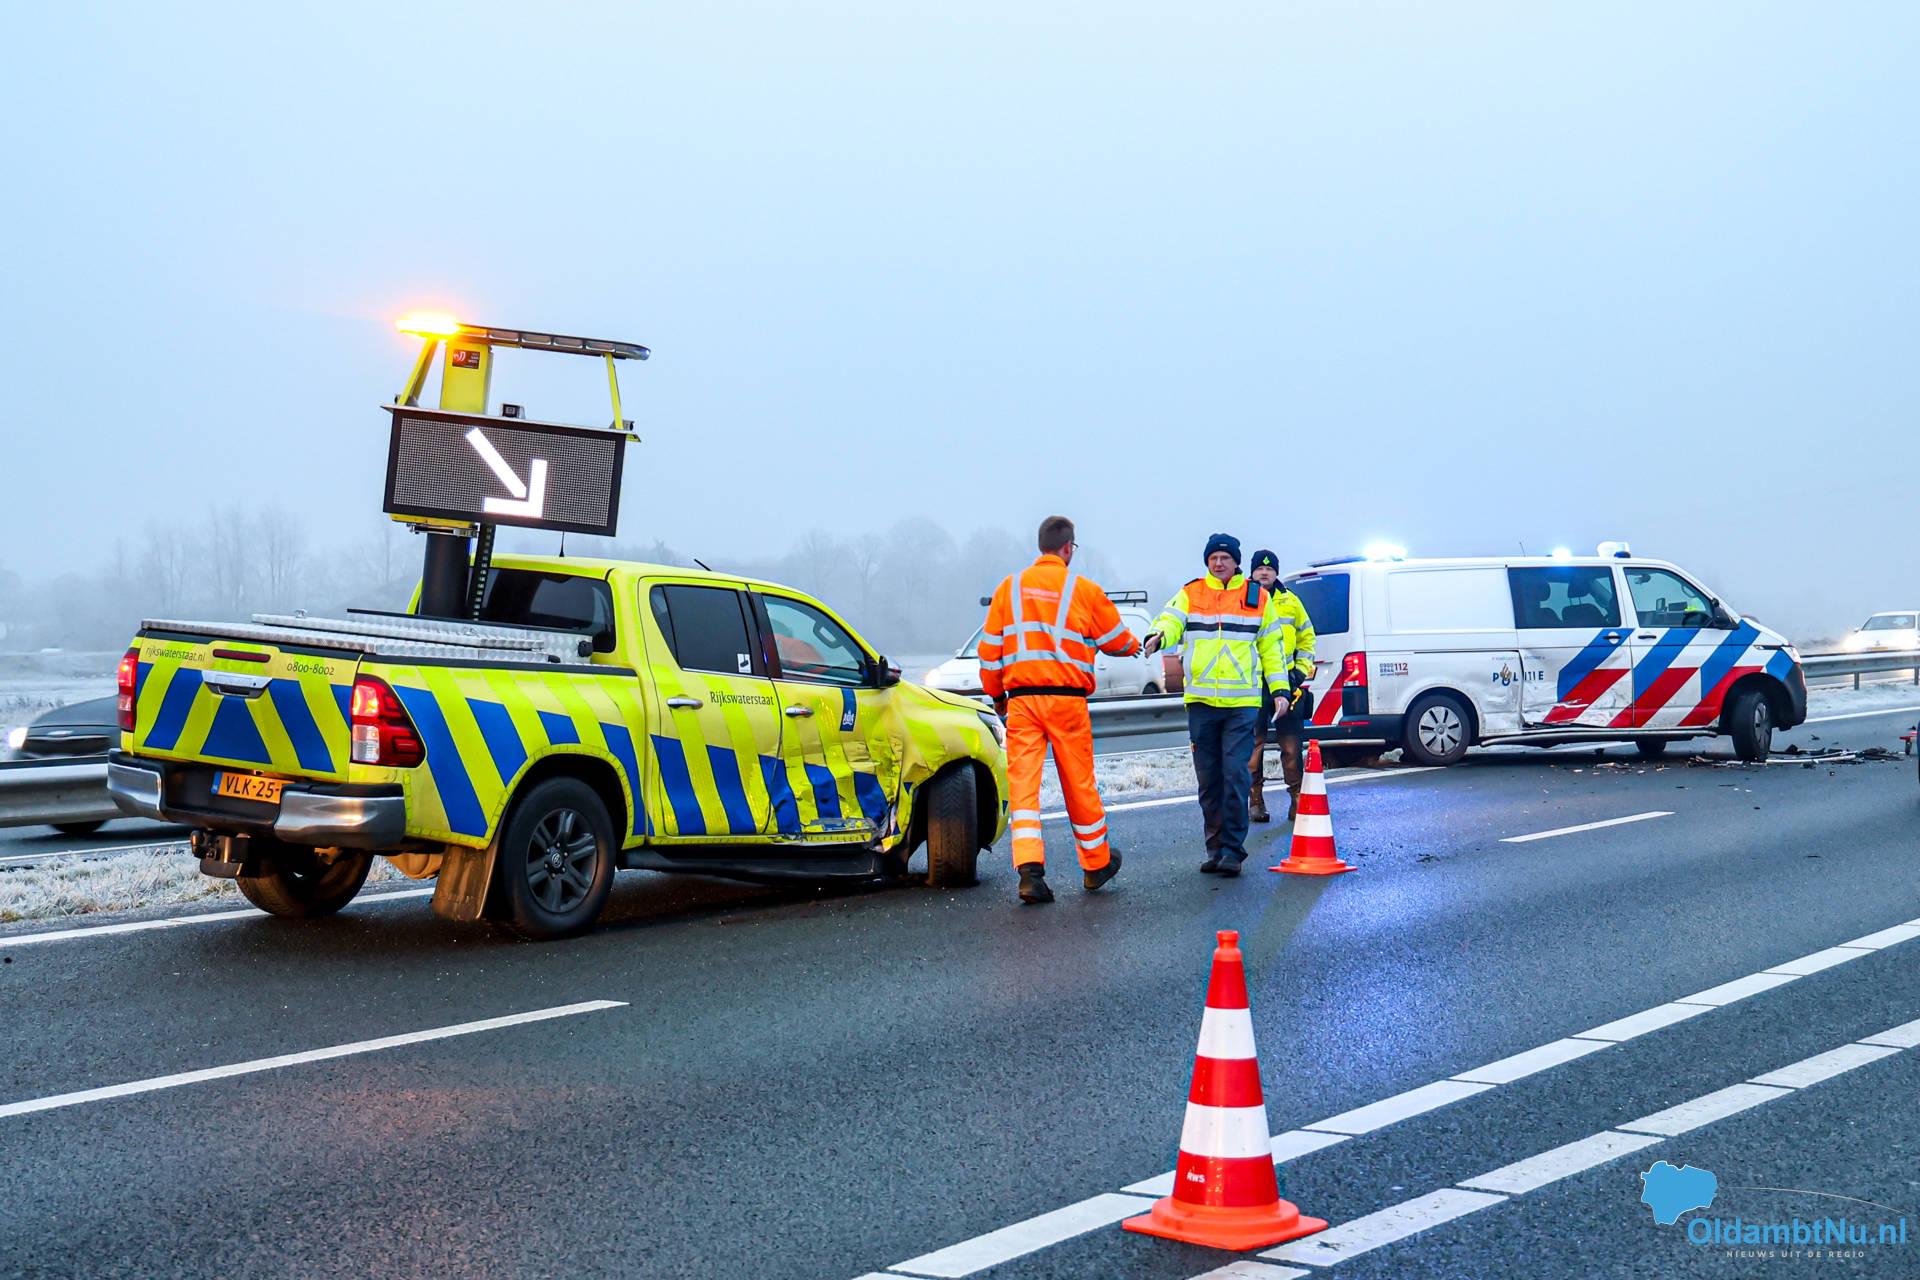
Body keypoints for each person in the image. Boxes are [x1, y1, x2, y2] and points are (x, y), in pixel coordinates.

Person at [977, 516, 1143, 904]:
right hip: (1067, 701)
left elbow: (988, 654)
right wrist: (1134, 645)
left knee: (1023, 787)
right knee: (1078, 783)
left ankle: (1029, 873)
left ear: (1042, 546)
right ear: (1068, 547)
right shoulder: (1083, 590)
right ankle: (1096, 864)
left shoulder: (1009, 589)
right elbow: (1117, 641)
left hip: (1021, 701)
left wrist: (998, 696)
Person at [1143, 534, 1295, 875]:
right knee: (1209, 781)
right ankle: (1214, 849)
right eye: (1213, 557)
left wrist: (1280, 690)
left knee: (1235, 775)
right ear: (1207, 561)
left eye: (1225, 557)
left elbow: (1272, 647)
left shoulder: (1257, 596)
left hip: (1241, 704)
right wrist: (1158, 636)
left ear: (1236, 562)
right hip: (1201, 703)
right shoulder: (1192, 592)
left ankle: (1232, 851)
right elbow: (1170, 621)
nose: (1219, 562)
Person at [1245, 549, 1316, 823]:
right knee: (1254, 746)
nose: (1264, 573)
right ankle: (1255, 800)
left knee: (1291, 746)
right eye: (1259, 569)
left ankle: (1297, 800)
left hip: (1287, 683)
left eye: (1269, 569)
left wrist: (1299, 672)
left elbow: (1307, 638)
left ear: (1276, 572)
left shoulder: (1291, 601)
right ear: (1252, 572)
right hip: (1252, 683)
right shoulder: (1242, 599)